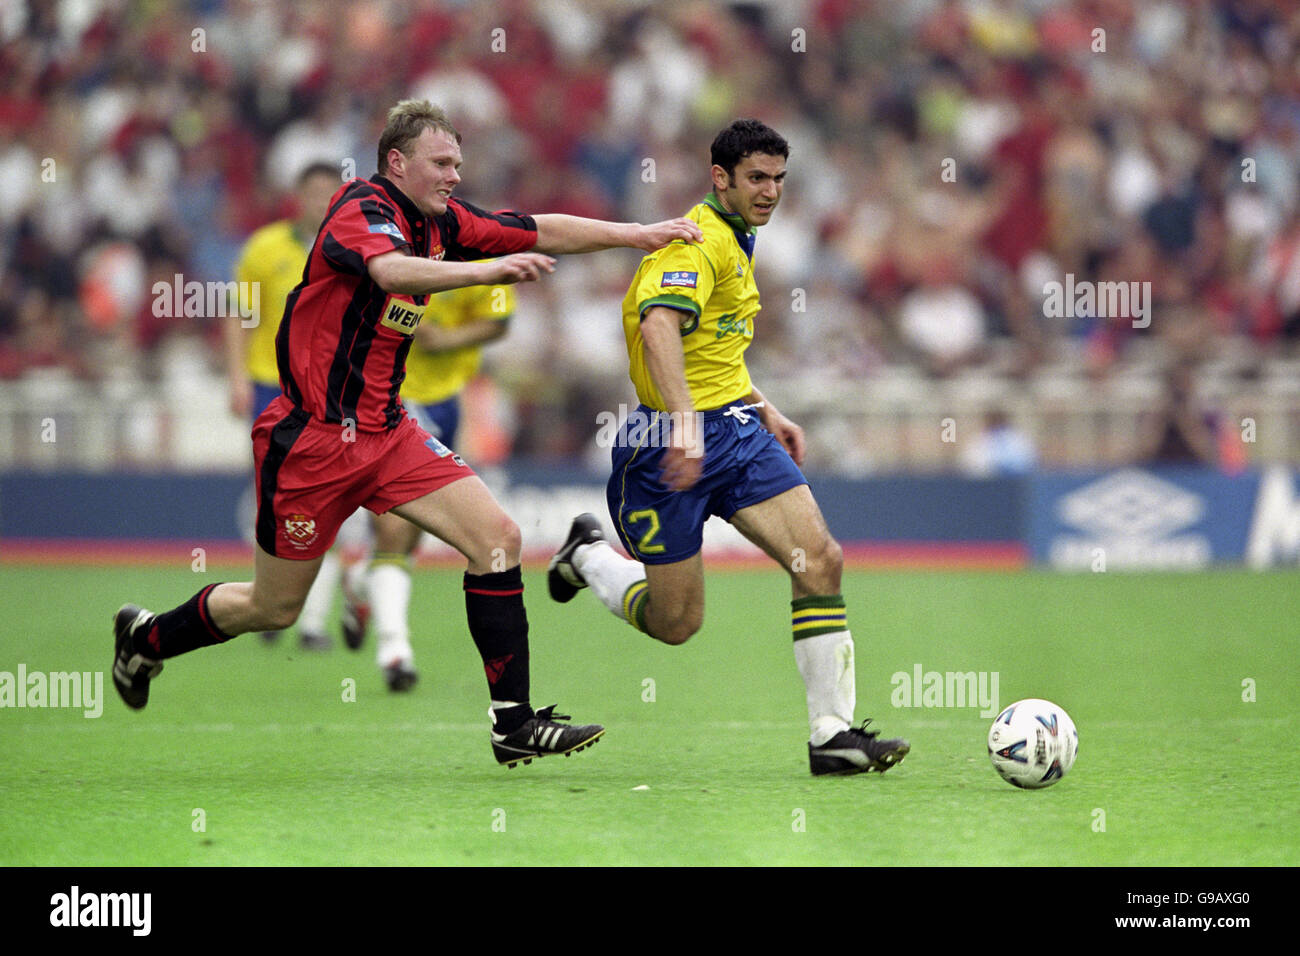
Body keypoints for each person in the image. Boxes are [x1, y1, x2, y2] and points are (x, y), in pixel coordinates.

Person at [112, 99, 703, 769]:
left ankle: (513, 722)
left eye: (458, 163)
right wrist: (482, 272)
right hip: (310, 444)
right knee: (274, 607)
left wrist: (636, 235)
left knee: (499, 539)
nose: (455, 176)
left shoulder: (442, 223)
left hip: (388, 433)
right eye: (442, 163)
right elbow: (390, 272)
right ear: (397, 162)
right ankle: (147, 638)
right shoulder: (360, 211)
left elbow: (537, 228)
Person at [547, 119, 910, 776]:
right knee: (675, 622)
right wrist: (686, 424)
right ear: (720, 178)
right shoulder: (695, 242)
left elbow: (712, 347)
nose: (770, 191)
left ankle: (832, 736)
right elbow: (660, 328)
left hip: (736, 435)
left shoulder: (739, 239)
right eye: (756, 178)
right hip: (666, 444)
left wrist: (765, 407)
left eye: (778, 179)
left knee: (820, 560)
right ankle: (590, 557)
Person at [340, 276, 516, 691]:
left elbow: (500, 318)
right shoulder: (386, 244)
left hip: (445, 402)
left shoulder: (480, 254)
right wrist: (408, 323)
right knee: (394, 527)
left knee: (413, 534)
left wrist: (448, 337)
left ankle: (361, 579)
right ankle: (395, 652)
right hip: (383, 397)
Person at [223, 160, 349, 651]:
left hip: (326, 393)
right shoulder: (264, 247)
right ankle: (270, 606)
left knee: (328, 498)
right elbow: (239, 315)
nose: (321, 200)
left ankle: (313, 619)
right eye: (313, 190)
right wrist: (235, 378)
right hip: (267, 388)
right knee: (272, 500)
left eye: (329, 191)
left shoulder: (353, 248)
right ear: (297, 195)